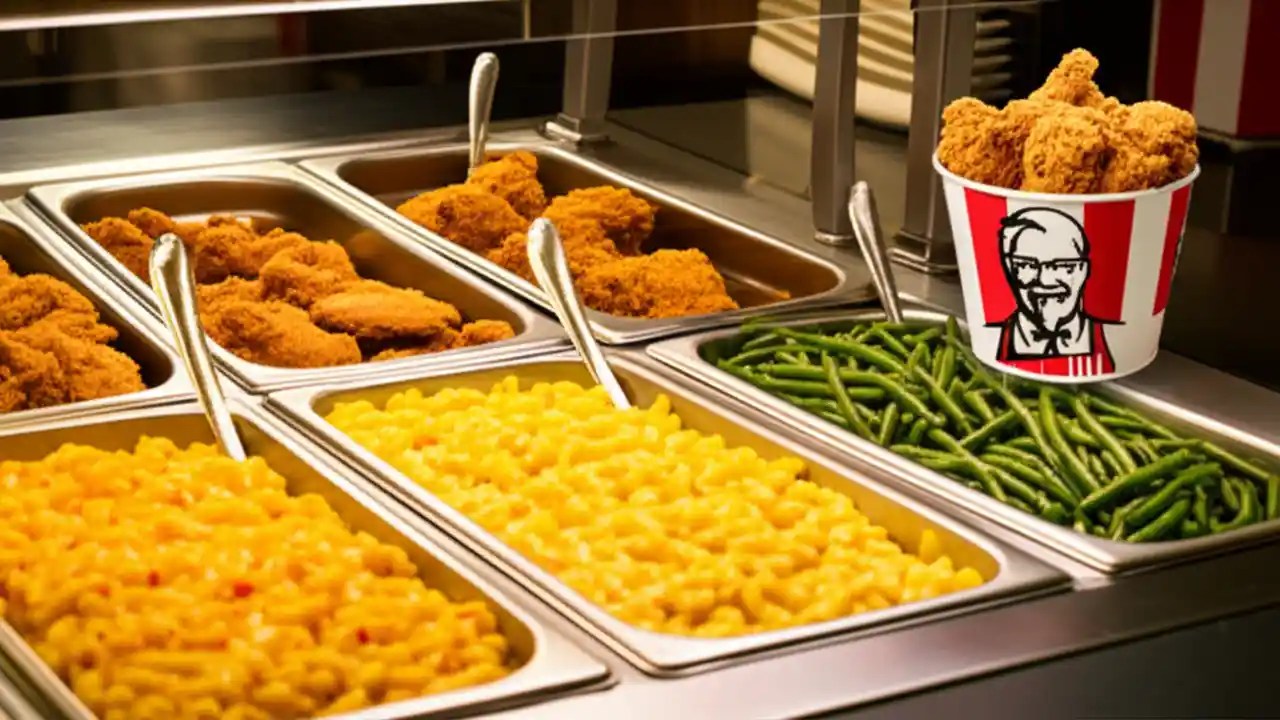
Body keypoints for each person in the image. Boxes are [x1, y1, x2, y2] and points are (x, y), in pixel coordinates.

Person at [990, 207, 1115, 375]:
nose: (1045, 281)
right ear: (1009, 269)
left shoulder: (1114, 338)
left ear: (1083, 270)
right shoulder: (990, 337)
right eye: (1027, 265)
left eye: (1063, 266)